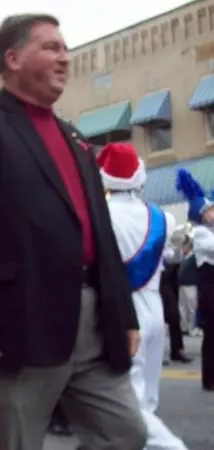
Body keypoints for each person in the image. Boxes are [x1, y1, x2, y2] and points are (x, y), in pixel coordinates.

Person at [0, 13, 146, 450]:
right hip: (16, 322)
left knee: (124, 435)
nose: (65, 58)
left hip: (92, 322)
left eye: (65, 49)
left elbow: (99, 232)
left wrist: (124, 314)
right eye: (51, 48)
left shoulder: (75, 138)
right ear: (12, 57)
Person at [98, 143, 188, 450]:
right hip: (154, 310)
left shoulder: (100, 216)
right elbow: (172, 254)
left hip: (124, 314)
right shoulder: (164, 218)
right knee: (148, 398)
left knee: (130, 404)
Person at [176, 168, 214, 391]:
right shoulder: (201, 233)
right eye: (209, 209)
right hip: (209, 287)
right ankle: (209, 378)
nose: (213, 211)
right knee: (211, 335)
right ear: (201, 214)